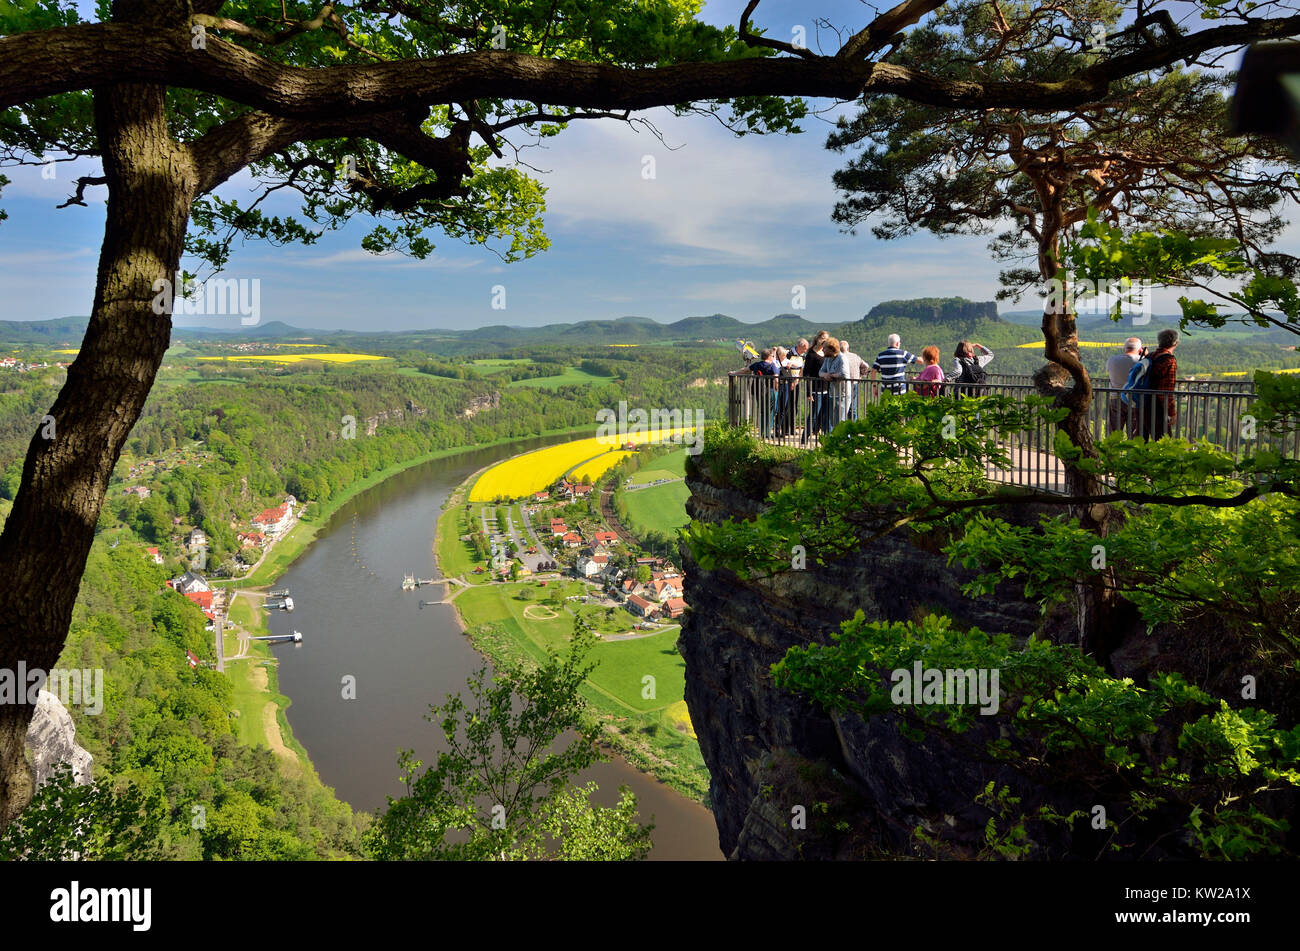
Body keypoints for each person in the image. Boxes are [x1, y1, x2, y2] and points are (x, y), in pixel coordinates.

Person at [1136, 329, 1179, 440]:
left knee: (1141, 442)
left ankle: (1138, 458)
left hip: (1142, 401)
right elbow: (1167, 389)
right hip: (1157, 405)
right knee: (1164, 442)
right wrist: (1172, 412)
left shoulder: (1150, 356)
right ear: (1175, 343)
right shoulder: (1169, 360)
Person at [1105, 337, 1143, 435]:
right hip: (1134, 399)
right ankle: (1133, 450)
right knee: (1134, 433)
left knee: (1113, 433)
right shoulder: (1142, 362)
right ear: (1140, 350)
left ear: (1125, 348)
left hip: (1115, 397)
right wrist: (1144, 356)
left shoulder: (1112, 360)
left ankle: (1111, 450)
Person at [802, 331, 830, 443]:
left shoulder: (826, 353)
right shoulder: (811, 354)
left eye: (826, 338)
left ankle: (824, 440)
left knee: (825, 415)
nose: (824, 340)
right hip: (815, 389)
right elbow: (806, 374)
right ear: (817, 338)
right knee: (813, 415)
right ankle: (804, 438)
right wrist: (808, 392)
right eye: (822, 338)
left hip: (827, 389)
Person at [748, 347, 779, 437]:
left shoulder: (757, 365)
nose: (773, 357)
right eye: (772, 356)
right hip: (771, 390)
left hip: (759, 391)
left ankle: (762, 433)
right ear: (769, 356)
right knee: (771, 411)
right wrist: (777, 388)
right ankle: (767, 433)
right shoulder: (772, 366)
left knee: (762, 411)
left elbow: (746, 369)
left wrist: (734, 372)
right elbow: (776, 378)